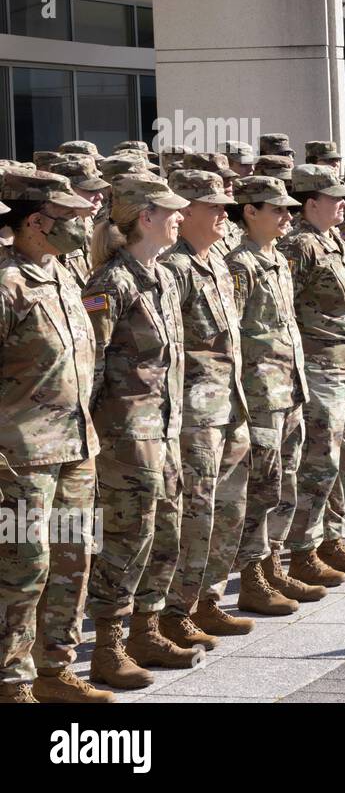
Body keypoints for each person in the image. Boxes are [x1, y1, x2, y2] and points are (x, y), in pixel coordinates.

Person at [0, 171, 111, 703]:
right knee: (25, 566)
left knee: (73, 557)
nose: (83, 221)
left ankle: (55, 670)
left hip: (75, 447)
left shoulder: (65, 274)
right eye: (69, 216)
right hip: (21, 456)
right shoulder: (6, 284)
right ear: (36, 222)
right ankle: (11, 680)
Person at [83, 173, 196, 690]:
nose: (180, 217)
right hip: (126, 434)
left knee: (166, 529)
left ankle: (147, 629)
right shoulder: (113, 282)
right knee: (127, 535)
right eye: (170, 211)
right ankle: (108, 646)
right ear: (144, 218)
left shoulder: (165, 274)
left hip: (164, 426)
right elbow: (92, 365)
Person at [157, 170, 252, 645]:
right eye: (211, 206)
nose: (222, 213)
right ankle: (175, 610)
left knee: (229, 508)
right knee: (195, 511)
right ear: (185, 211)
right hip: (196, 413)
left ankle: (208, 599)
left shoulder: (215, 261)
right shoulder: (172, 269)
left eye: (222, 205)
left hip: (230, 404)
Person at [220, 175, 322, 615]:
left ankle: (275, 563)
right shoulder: (239, 265)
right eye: (277, 209)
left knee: (286, 479)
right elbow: (233, 335)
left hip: (289, 387)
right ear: (250, 212)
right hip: (260, 393)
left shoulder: (277, 259)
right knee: (260, 486)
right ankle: (253, 576)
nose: (287, 216)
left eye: (288, 209)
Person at [278, 164, 345, 581]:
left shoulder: (335, 239)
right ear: (311, 203)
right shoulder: (299, 246)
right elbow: (284, 310)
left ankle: (335, 538)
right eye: (334, 197)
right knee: (321, 460)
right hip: (321, 368)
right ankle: (304, 549)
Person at [42, 153, 110, 290]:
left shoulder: (91, 222)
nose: (100, 196)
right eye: (91, 190)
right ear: (67, 191)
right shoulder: (47, 232)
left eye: (99, 189)